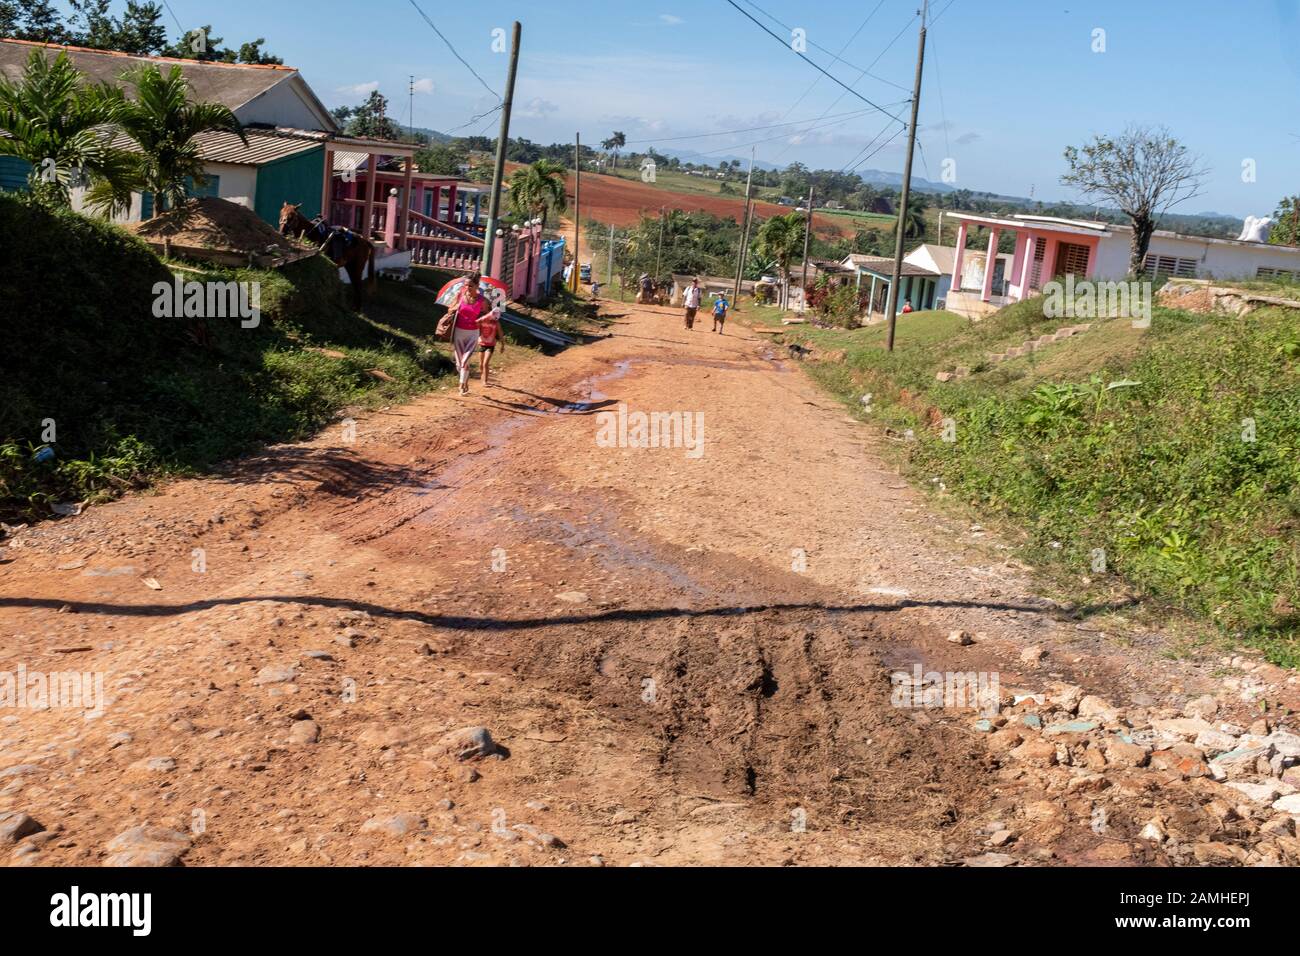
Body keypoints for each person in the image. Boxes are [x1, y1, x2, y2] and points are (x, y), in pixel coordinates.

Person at [450, 272, 492, 396]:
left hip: (473, 333)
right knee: (460, 363)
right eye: (466, 285)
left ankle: (461, 386)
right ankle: (465, 382)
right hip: (458, 332)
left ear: (477, 286)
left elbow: (487, 314)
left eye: (470, 286)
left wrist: (483, 318)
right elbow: (449, 309)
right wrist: (455, 308)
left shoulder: (482, 300)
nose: (467, 288)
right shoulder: (459, 296)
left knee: (464, 361)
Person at [477, 302, 504, 388]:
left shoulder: (496, 323)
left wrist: (502, 345)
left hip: (491, 345)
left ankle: (485, 381)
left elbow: (500, 334)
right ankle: (482, 378)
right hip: (482, 344)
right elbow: (476, 327)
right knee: (481, 364)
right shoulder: (482, 320)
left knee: (485, 363)